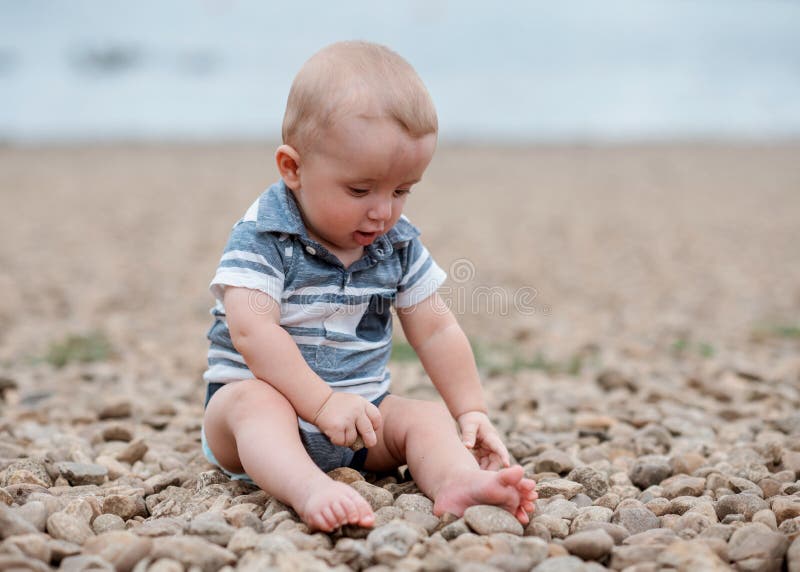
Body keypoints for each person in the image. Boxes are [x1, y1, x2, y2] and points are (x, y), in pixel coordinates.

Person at [201, 40, 537, 532]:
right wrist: (320, 404)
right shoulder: (265, 235)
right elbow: (253, 332)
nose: (383, 210)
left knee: (422, 418)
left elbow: (436, 330)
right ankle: (308, 488)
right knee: (255, 403)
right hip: (259, 423)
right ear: (293, 168)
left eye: (402, 190)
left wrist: (470, 409)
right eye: (360, 190)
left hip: (360, 421)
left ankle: (455, 481)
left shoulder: (395, 244)